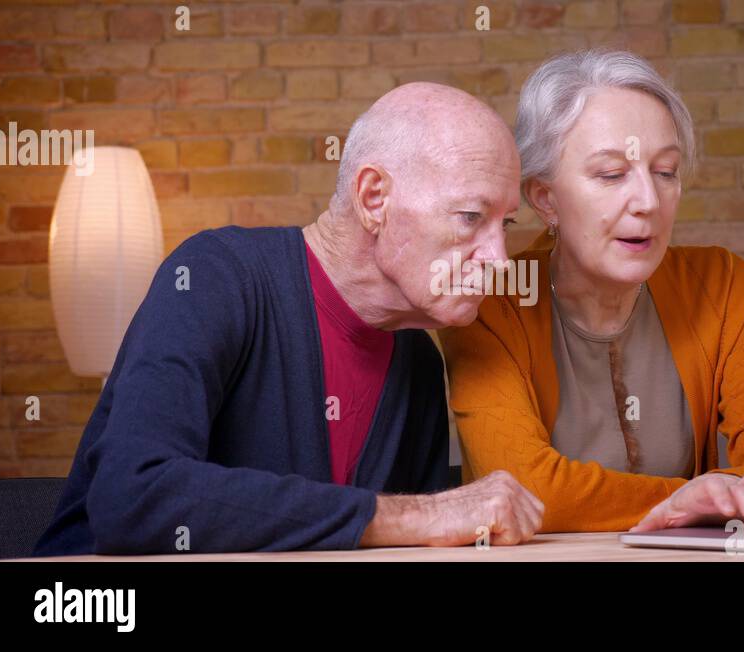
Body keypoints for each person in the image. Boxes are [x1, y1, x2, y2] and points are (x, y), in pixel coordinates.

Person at [33, 82, 543, 556]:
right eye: (471, 217)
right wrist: (416, 514)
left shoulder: (418, 364)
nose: (499, 260)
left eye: (506, 223)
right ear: (374, 199)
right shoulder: (214, 275)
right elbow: (134, 496)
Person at [439, 50, 744, 535]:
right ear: (545, 199)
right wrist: (702, 497)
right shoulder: (490, 303)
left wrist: (724, 493)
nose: (649, 202)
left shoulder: (721, 283)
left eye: (665, 171)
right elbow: (527, 488)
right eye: (611, 175)